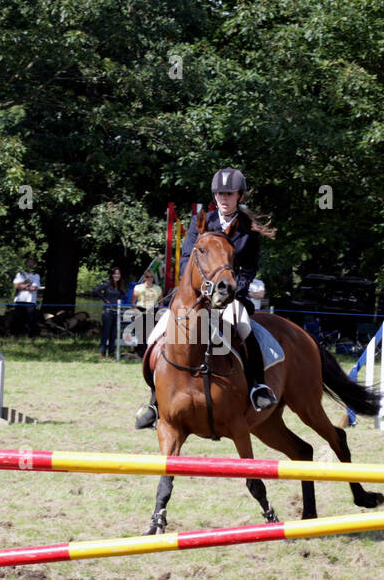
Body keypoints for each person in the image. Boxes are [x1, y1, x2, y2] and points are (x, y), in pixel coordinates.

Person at [135, 167, 277, 428]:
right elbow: (189, 257)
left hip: (230, 297)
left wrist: (233, 291)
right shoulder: (202, 222)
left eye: (229, 194)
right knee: (156, 334)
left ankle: (258, 386)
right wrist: (201, 290)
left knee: (245, 328)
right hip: (198, 295)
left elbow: (248, 269)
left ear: (239, 196)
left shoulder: (248, 229)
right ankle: (155, 400)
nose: (224, 198)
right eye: (220, 194)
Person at [93, 267, 127, 358]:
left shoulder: (120, 285)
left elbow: (124, 295)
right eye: (115, 274)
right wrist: (105, 300)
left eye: (118, 274)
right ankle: (102, 352)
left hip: (117, 312)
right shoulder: (107, 284)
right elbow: (95, 290)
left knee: (113, 334)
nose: (117, 275)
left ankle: (111, 353)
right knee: (106, 333)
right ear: (112, 275)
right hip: (108, 312)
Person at [131, 269, 163, 350]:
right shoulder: (138, 288)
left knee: (151, 333)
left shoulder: (158, 288)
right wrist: (137, 311)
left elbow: (161, 303)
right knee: (141, 333)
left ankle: (150, 351)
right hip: (141, 310)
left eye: (151, 277)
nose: (149, 279)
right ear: (145, 277)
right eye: (148, 277)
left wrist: (159, 312)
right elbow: (133, 302)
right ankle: (140, 352)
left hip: (152, 311)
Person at [11, 257, 40, 341]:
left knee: (31, 321)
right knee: (17, 321)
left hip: (30, 301)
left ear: (34, 264)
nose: (30, 264)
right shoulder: (20, 274)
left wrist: (22, 286)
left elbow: (34, 288)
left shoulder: (36, 275)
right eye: (28, 262)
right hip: (19, 300)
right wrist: (27, 285)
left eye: (32, 262)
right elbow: (16, 286)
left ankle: (32, 340)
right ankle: (16, 339)